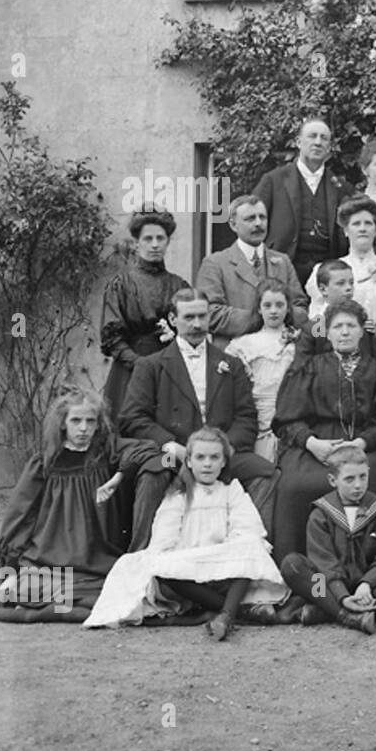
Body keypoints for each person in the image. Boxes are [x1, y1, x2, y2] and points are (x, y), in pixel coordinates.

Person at [84, 426, 288, 641]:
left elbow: (247, 527)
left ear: (224, 462)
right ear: (189, 461)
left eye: (214, 457)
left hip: (224, 564)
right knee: (153, 565)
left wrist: (224, 553)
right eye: (200, 457)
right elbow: (165, 536)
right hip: (189, 567)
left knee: (252, 546)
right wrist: (187, 558)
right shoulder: (179, 493)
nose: (207, 464)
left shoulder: (231, 490)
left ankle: (226, 616)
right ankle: (240, 612)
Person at [119, 288, 277, 552]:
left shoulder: (230, 364)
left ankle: (248, 553)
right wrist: (171, 445)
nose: (196, 324)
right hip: (174, 453)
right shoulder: (151, 365)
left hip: (221, 453)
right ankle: (142, 558)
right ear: (173, 319)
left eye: (202, 316)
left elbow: (247, 417)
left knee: (267, 474)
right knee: (153, 474)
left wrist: (224, 450)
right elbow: (133, 418)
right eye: (189, 317)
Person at [0, 389, 154, 622]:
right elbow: (20, 516)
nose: (83, 428)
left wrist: (119, 475)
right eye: (76, 420)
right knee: (37, 587)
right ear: (63, 424)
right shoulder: (44, 464)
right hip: (49, 559)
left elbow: (147, 450)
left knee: (121, 591)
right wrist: (11, 567)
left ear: (99, 425)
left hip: (97, 558)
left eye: (91, 421)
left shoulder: (107, 454)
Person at [272, 298, 376, 559]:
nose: (344, 332)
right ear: (327, 333)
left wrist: (361, 444)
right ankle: (300, 569)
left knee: (367, 481)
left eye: (351, 326)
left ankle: (359, 568)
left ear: (362, 331)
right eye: (338, 326)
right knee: (295, 485)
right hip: (317, 444)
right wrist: (312, 444)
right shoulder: (308, 368)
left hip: (364, 444)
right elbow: (287, 419)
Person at [278, 444, 376, 635]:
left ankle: (323, 611)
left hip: (368, 587)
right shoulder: (321, 514)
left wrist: (367, 584)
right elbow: (323, 562)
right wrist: (341, 596)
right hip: (330, 585)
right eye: (349, 479)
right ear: (333, 480)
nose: (358, 485)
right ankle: (344, 614)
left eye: (363, 477)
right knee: (292, 566)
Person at [99, 209, 189, 415]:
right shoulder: (121, 284)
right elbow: (111, 337)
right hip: (130, 369)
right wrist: (139, 363)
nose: (155, 244)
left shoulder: (179, 285)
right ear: (137, 243)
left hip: (170, 369)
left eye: (160, 238)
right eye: (148, 239)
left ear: (168, 242)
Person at [195, 195, 308, 348]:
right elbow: (210, 312)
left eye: (262, 217)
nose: (258, 223)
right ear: (233, 225)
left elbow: (300, 307)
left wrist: (280, 320)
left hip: (279, 353)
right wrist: (260, 318)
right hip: (232, 355)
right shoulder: (215, 263)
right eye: (250, 219)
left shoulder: (282, 262)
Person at [252, 117, 354, 285]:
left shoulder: (341, 187)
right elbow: (252, 222)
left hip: (328, 276)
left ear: (329, 147)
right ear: (299, 142)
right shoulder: (273, 180)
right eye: (312, 136)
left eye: (324, 138)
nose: (318, 142)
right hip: (282, 272)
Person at [305, 195, 376, 357]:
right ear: (345, 230)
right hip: (334, 349)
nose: (362, 228)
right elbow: (315, 317)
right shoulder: (324, 270)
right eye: (356, 224)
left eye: (368, 224)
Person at [225, 280, 300, 462]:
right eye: (267, 305)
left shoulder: (300, 341)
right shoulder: (244, 344)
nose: (273, 311)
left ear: (288, 308)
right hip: (257, 415)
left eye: (279, 305)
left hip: (292, 412)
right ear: (259, 309)